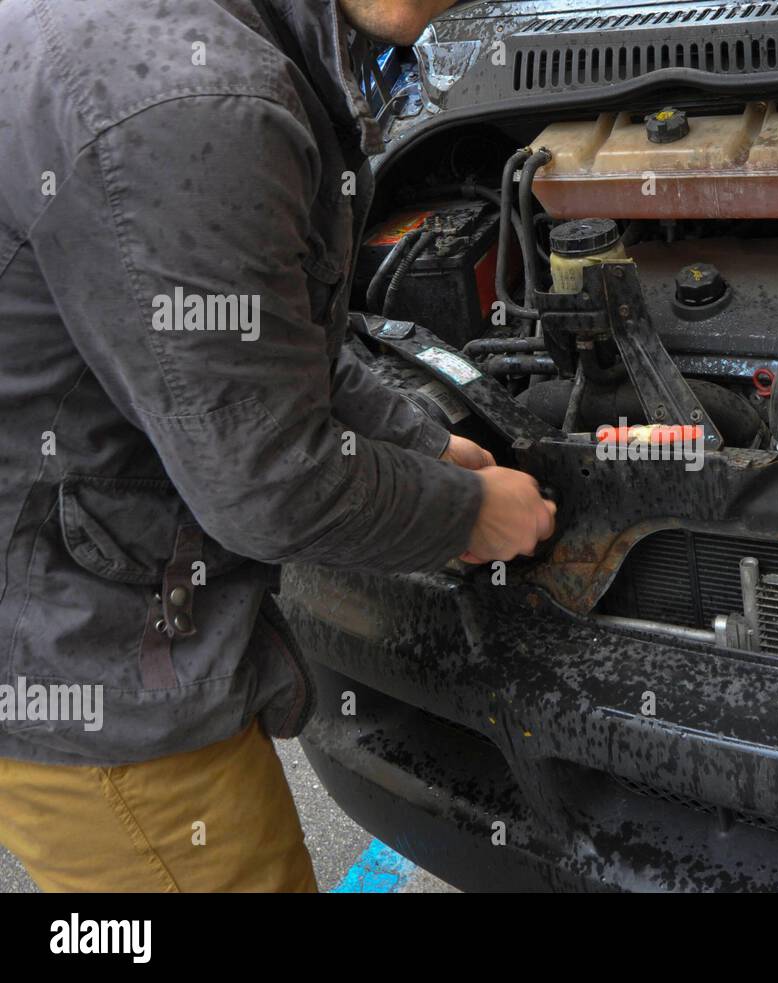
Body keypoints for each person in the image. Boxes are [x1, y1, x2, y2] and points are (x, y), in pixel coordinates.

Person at [0, 0, 555, 891]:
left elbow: (255, 346)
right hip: (91, 676)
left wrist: (426, 442)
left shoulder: (198, 47)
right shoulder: (193, 105)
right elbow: (267, 483)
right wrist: (470, 516)